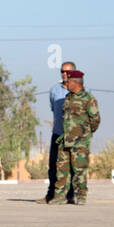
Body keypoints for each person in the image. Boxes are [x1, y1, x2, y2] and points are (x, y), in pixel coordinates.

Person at [51, 69, 99, 205]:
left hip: (80, 142)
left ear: (75, 82)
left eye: (68, 82)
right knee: (61, 170)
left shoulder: (88, 99)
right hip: (65, 140)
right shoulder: (67, 97)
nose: (66, 84)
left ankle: (81, 196)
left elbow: (95, 119)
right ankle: (59, 196)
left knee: (79, 170)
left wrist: (85, 134)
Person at [41, 61, 76, 204]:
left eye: (68, 71)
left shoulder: (80, 91)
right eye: (62, 71)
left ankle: (72, 195)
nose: (65, 74)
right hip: (57, 133)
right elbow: (53, 108)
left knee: (74, 167)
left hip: (73, 136)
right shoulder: (54, 90)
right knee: (54, 166)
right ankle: (51, 194)